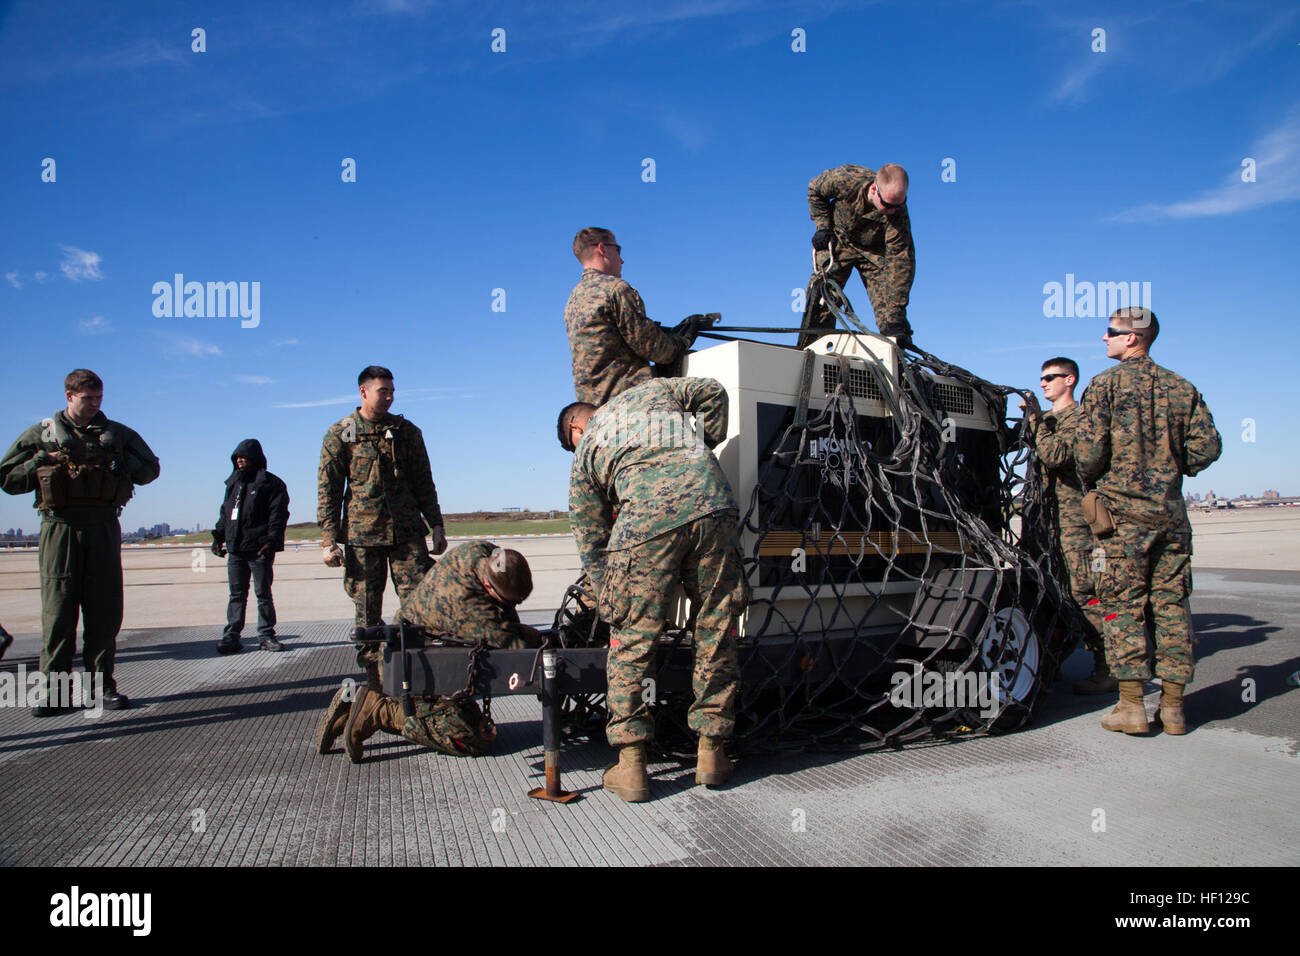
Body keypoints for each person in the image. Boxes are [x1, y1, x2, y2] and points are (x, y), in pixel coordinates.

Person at [557, 376, 749, 802]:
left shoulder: (587, 449)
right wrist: (703, 443)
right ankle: (712, 753)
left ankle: (632, 766)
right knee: (717, 627)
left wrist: (611, 598)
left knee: (633, 639)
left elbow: (590, 537)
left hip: (646, 522)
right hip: (713, 502)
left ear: (576, 429)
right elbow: (713, 390)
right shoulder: (650, 391)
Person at [1075, 308, 1222, 735]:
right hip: (1171, 518)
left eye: (1110, 332)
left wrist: (1104, 476)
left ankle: (1132, 706)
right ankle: (1174, 708)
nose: (1104, 339)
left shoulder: (1104, 386)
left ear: (1133, 339)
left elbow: (1086, 454)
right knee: (1172, 607)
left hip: (1121, 520)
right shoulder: (1182, 387)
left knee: (1122, 608)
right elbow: (1207, 448)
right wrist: (1172, 464)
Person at [0, 369, 159, 714]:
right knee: (58, 613)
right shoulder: (42, 435)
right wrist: (43, 460)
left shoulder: (116, 433)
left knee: (104, 611)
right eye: (88, 399)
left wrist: (120, 461)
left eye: (99, 398)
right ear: (69, 396)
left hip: (103, 527)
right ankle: (55, 694)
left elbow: (150, 470)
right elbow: (8, 480)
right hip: (59, 528)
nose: (94, 405)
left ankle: (101, 688)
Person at [315, 541, 542, 761]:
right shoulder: (468, 607)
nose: (515, 606)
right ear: (488, 586)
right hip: (415, 673)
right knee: (472, 739)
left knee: (468, 715)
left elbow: (506, 616)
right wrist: (547, 641)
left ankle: (355, 704)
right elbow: (511, 643)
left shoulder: (482, 552)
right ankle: (379, 711)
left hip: (422, 655)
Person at [317, 366, 448, 690]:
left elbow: (423, 482)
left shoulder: (407, 431)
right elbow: (329, 488)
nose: (389, 397)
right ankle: (375, 684)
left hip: (407, 535)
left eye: (392, 391)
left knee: (420, 604)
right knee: (366, 612)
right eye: (383, 391)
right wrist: (328, 540)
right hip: (363, 538)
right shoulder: (342, 432)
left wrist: (436, 524)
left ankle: (420, 677)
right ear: (363, 392)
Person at [1021, 358, 1114, 695]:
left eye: (1051, 378)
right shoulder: (1044, 421)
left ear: (1070, 380)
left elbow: (1058, 456)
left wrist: (1035, 422)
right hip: (1044, 522)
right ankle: (1050, 661)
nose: (1044, 383)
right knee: (1044, 591)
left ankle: (1107, 667)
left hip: (1075, 523)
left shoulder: (1081, 420)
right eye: (1041, 378)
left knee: (1085, 593)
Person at [564, 227, 712, 406]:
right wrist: (683, 339)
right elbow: (656, 350)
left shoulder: (573, 299)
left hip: (593, 409)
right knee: (710, 391)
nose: (622, 260)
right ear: (602, 249)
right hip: (630, 402)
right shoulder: (616, 289)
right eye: (618, 250)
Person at [799, 163, 914, 347]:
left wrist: (896, 312)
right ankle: (811, 353)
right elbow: (815, 190)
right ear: (874, 189)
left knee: (893, 321)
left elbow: (900, 262)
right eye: (886, 205)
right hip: (840, 241)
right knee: (821, 298)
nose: (892, 211)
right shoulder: (846, 179)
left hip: (873, 254)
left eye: (898, 205)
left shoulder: (897, 214)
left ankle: (896, 364)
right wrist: (822, 227)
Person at [211, 439, 290, 654]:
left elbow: (278, 515)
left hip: (259, 550)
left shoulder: (271, 484)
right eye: (237, 458)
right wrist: (218, 537)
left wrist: (270, 541)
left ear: (255, 459)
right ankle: (232, 635)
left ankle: (266, 635)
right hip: (236, 549)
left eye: (243, 458)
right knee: (236, 594)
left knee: (263, 593)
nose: (239, 461)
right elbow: (225, 513)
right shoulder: (233, 484)